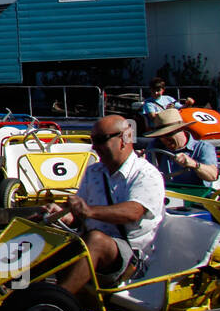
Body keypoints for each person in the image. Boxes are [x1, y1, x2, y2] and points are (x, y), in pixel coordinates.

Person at [42, 115, 165, 295]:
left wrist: (89, 211)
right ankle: (12, 288)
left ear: (124, 139)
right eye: (93, 141)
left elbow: (133, 212)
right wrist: (63, 215)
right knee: (43, 229)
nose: (94, 147)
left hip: (131, 259)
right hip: (92, 245)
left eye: (100, 140)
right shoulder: (94, 171)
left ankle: (56, 302)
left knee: (96, 240)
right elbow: (79, 214)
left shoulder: (146, 174)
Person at [143, 109, 218, 187]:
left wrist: (194, 164)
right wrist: (139, 162)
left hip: (196, 197)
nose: (164, 139)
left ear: (181, 129)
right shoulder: (155, 146)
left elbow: (213, 176)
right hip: (166, 195)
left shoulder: (202, 147)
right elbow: (146, 176)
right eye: (160, 135)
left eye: (169, 134)